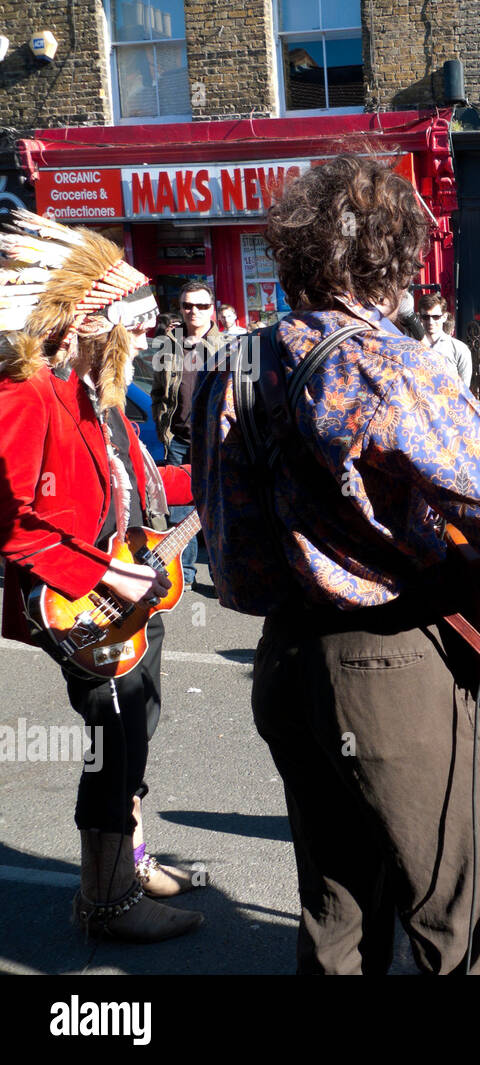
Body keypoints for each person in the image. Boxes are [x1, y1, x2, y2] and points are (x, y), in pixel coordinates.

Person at [192, 153, 480, 974]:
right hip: (389, 661)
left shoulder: (227, 365)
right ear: (389, 260)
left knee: (336, 899)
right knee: (461, 906)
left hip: (287, 660)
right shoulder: (387, 363)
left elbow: (234, 563)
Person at [0, 212, 204, 942]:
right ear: (85, 323)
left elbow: (132, 490)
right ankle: (107, 900)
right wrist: (107, 576)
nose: (139, 338)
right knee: (113, 739)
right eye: (124, 324)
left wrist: (208, 477)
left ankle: (130, 858)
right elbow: (18, 527)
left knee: (137, 726)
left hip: (124, 591)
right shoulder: (26, 392)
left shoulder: (94, 394)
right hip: (79, 602)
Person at [152, 279, 219, 589]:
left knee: (220, 512)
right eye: (187, 305)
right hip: (179, 442)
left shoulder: (236, 346)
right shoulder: (166, 344)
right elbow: (157, 393)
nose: (194, 311)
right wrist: (163, 430)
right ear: (179, 309)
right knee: (181, 516)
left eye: (202, 305)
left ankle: (222, 576)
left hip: (217, 444)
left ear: (212, 310)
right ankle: (186, 578)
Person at [417, 292, 473, 387]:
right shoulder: (411, 346)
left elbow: (464, 389)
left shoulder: (459, 349)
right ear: (420, 318)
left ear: (444, 317)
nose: (431, 322)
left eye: (436, 317)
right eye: (426, 317)